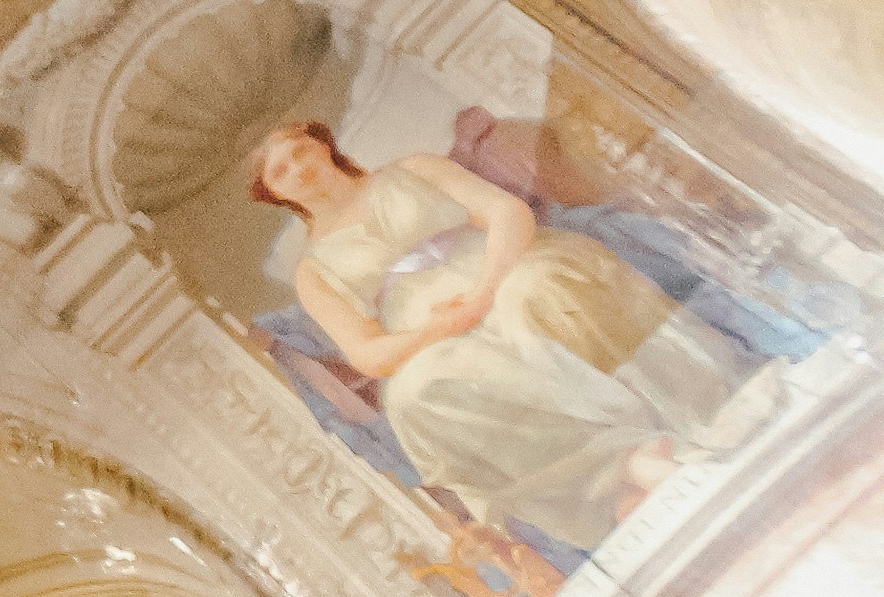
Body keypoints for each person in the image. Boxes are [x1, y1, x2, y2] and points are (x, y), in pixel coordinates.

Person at [251, 121, 751, 552]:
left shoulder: (414, 171)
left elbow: (505, 213)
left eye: (300, 151)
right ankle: (625, 469)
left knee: (534, 296)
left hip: (501, 267)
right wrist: (434, 329)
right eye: (280, 171)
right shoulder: (313, 272)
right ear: (274, 195)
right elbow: (365, 352)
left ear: (323, 145)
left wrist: (484, 290)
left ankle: (657, 440)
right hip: (428, 333)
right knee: (416, 396)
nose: (298, 169)